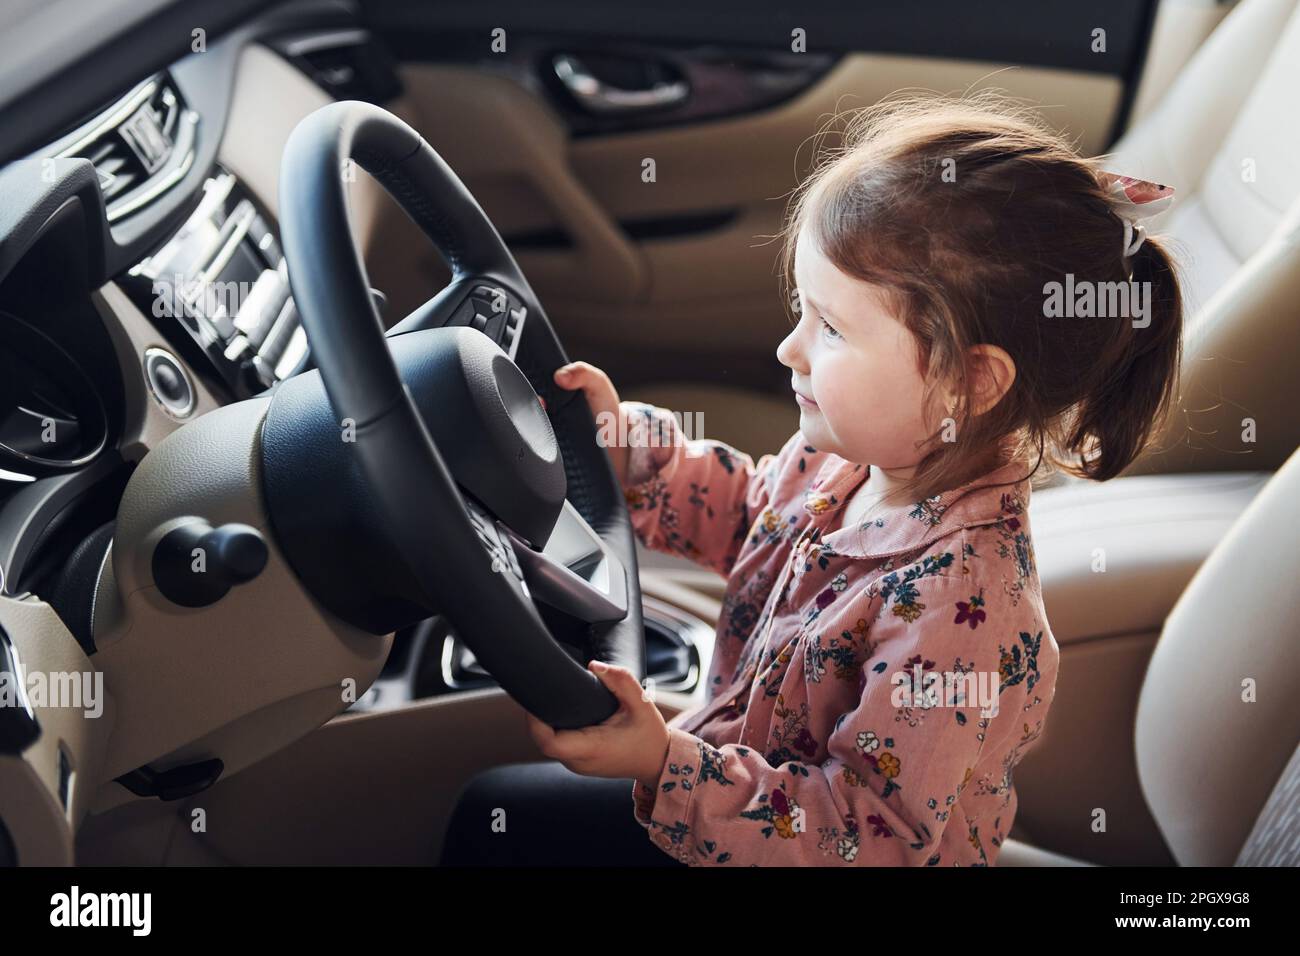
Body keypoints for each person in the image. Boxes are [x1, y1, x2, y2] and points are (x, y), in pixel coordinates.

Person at [439, 90, 1183, 867]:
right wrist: (631, 453)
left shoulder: (964, 617)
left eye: (831, 329)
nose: (789, 350)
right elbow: (749, 514)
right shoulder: (851, 461)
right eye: (802, 310)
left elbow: (864, 835)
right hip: (727, 790)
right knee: (490, 809)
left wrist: (666, 765)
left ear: (968, 384)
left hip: (774, 837)